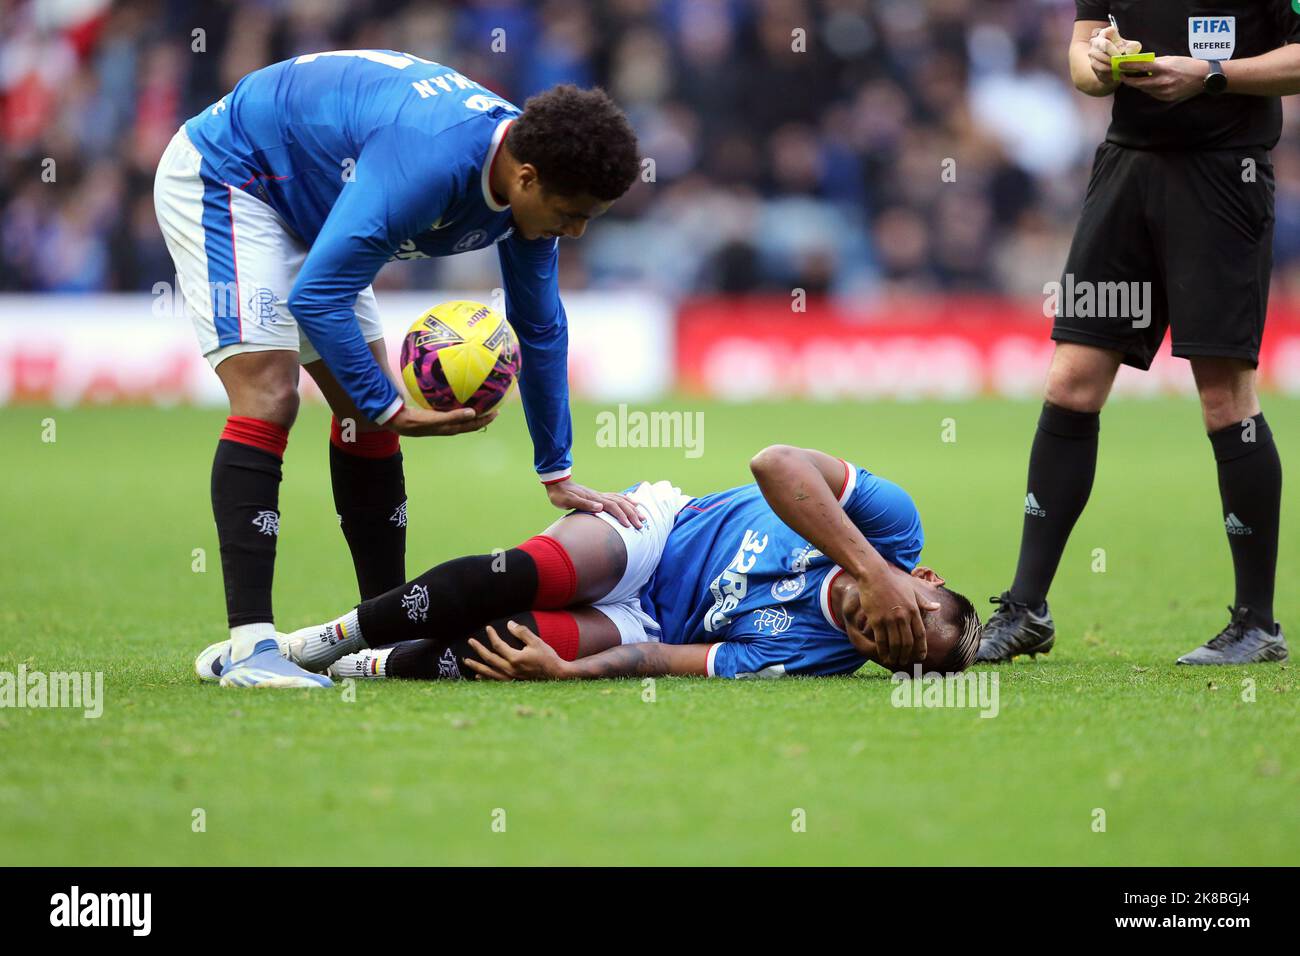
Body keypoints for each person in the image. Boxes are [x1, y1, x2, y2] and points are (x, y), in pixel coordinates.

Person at [153, 50, 643, 688]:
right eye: (572, 213)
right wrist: (390, 406)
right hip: (233, 173)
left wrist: (557, 469)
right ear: (525, 178)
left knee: (363, 411)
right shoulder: (432, 161)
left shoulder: (528, 170)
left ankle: (379, 636)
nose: (575, 231)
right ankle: (250, 647)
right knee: (271, 394)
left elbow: (541, 326)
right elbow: (317, 296)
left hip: (320, 200)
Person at [979, 4, 1297, 666]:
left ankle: (1257, 624)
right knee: (1071, 381)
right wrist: (1097, 63)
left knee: (1224, 397)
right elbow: (1082, 59)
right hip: (1125, 174)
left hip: (1224, 176)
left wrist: (1210, 74)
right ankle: (1025, 608)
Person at [196, 445, 982, 685]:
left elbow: (665, 655)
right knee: (519, 574)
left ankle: (354, 669)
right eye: (907, 617)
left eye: (891, 650)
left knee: (498, 646)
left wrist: (570, 674)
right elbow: (775, 464)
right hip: (658, 530)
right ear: (927, 579)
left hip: (644, 617)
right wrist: (874, 568)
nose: (880, 629)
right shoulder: (895, 525)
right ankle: (308, 645)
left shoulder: (812, 661)